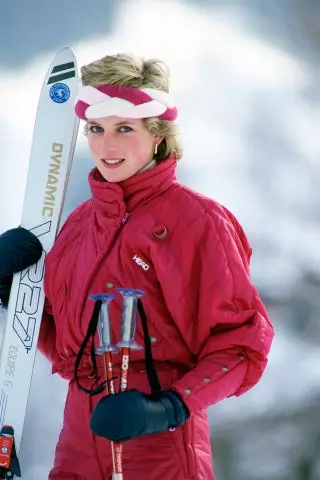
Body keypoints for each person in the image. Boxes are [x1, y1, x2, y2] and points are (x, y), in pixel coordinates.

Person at [1, 53, 274, 480]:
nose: (106, 146)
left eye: (124, 129)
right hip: (77, 439)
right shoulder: (77, 226)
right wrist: (12, 294)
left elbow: (241, 347)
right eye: (96, 129)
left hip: (160, 446)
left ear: (158, 133)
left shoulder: (197, 221)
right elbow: (68, 348)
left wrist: (167, 407)